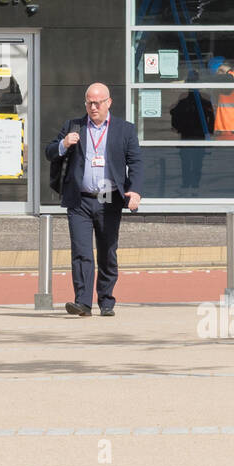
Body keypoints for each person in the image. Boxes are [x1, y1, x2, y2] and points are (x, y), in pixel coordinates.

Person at [44, 82, 143, 317]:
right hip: (80, 198)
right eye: (89, 102)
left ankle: (106, 299)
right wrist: (63, 144)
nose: (93, 106)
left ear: (109, 102)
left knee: (107, 251)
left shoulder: (124, 130)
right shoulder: (74, 125)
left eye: (98, 102)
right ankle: (83, 302)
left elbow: (136, 163)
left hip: (109, 196)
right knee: (81, 252)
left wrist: (135, 191)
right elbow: (49, 152)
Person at [169, 70, 212, 190]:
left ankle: (188, 182)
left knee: (187, 161)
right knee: (196, 161)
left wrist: (176, 127)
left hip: (188, 134)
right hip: (197, 134)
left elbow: (175, 113)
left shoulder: (185, 99)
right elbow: (211, 116)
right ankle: (194, 183)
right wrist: (209, 131)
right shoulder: (204, 99)